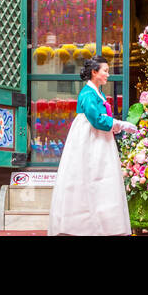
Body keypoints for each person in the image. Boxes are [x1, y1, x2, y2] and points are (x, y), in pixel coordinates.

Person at [46, 56, 136, 236]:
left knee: (101, 178)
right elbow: (96, 119)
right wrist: (120, 124)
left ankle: (102, 223)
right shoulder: (88, 93)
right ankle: (83, 224)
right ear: (94, 72)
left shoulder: (98, 93)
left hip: (99, 139)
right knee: (87, 176)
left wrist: (115, 125)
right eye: (105, 71)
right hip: (89, 139)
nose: (108, 75)